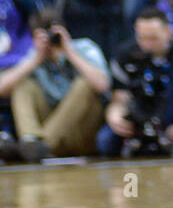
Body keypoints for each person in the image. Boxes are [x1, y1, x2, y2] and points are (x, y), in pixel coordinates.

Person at [97, 6, 173, 157]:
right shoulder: (125, 54)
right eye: (142, 38)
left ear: (168, 32)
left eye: (153, 38)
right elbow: (119, 97)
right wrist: (115, 114)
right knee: (105, 142)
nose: (147, 44)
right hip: (139, 117)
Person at [5, 9, 109, 161]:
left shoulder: (84, 47)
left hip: (82, 132)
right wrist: (36, 60)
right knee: (23, 84)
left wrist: (69, 52)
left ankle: (40, 146)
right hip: (49, 128)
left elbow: (102, 85)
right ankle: (30, 140)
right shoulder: (34, 56)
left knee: (84, 84)